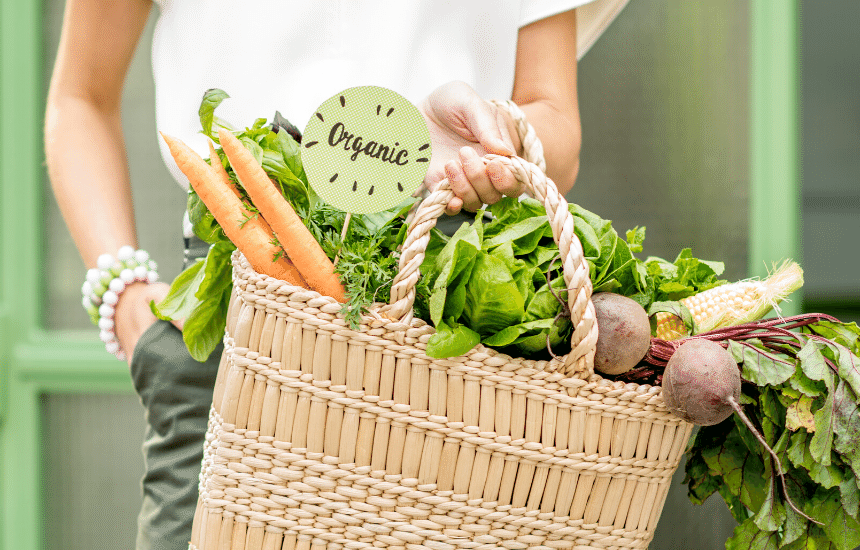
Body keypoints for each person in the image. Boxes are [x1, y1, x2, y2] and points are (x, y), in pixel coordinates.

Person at [44, 1, 627, 548]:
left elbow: (554, 123)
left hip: (448, 314)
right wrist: (121, 291)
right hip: (238, 303)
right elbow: (81, 98)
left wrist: (487, 135)